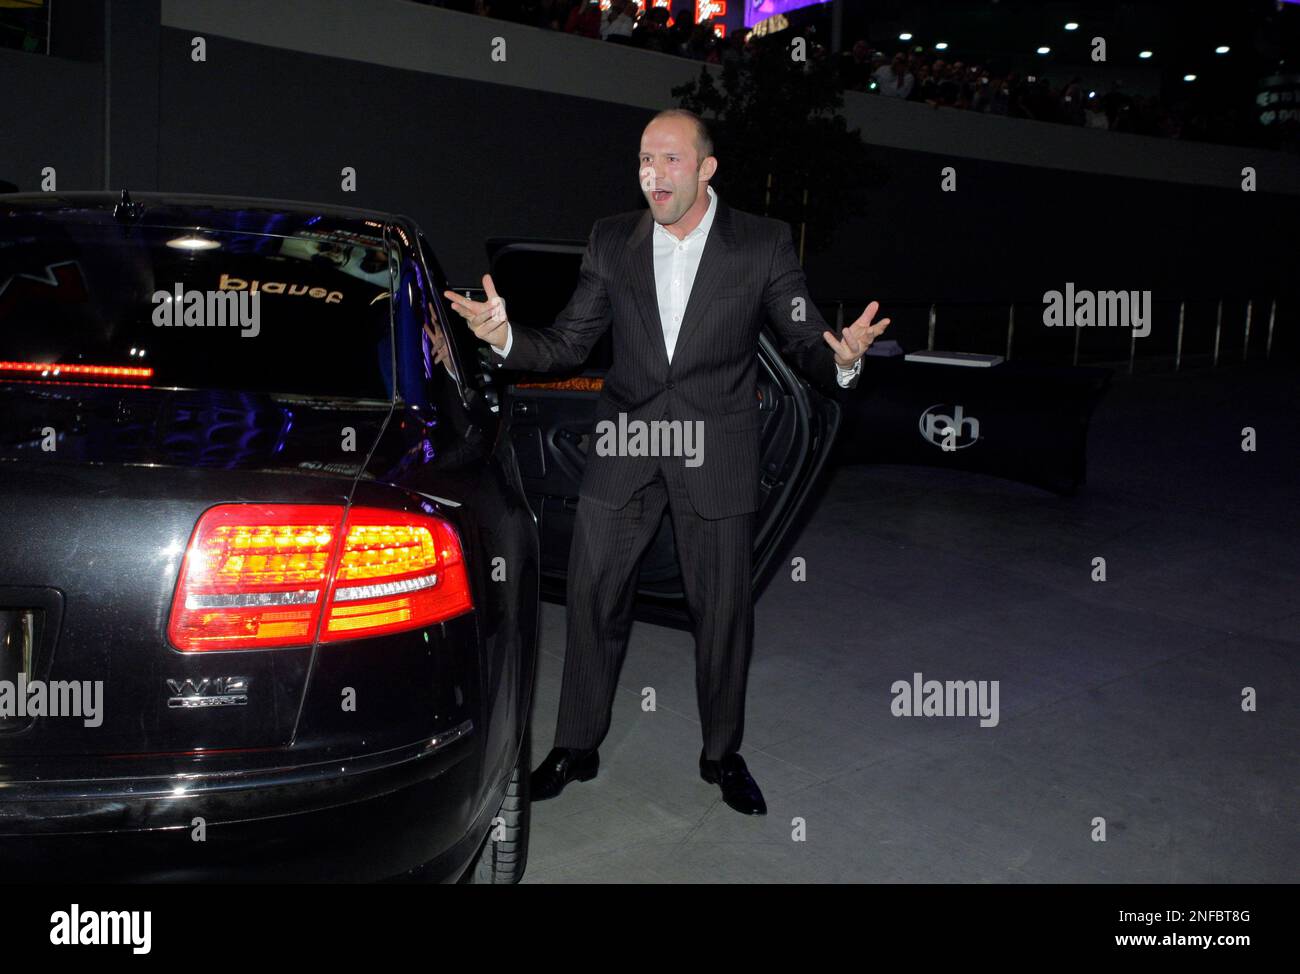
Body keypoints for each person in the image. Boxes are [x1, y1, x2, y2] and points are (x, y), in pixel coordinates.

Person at [442, 109, 889, 815]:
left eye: (672, 159)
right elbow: (566, 344)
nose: (654, 172)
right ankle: (576, 747)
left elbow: (807, 341)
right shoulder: (613, 239)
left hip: (717, 446)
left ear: (707, 169)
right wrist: (504, 338)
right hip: (628, 441)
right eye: (646, 158)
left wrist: (840, 361)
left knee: (722, 612)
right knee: (591, 596)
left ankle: (722, 754)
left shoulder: (761, 244)